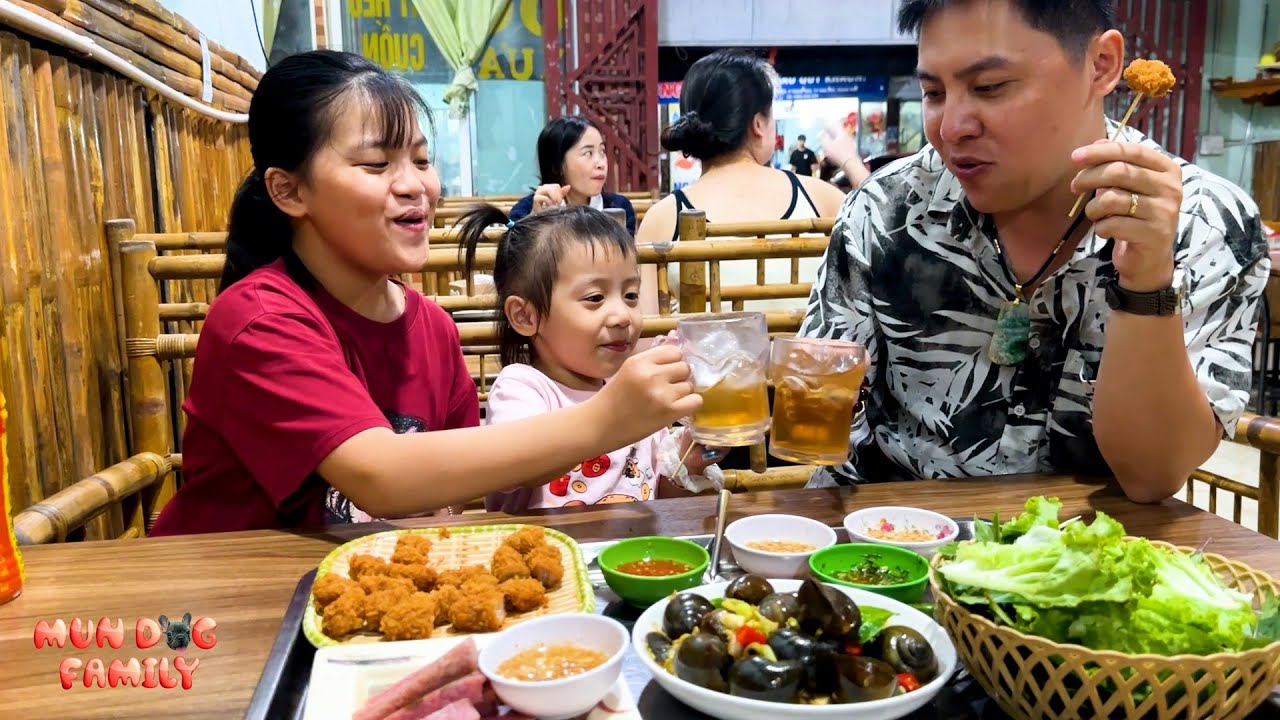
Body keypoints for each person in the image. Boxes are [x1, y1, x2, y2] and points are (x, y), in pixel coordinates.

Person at [149, 51, 701, 536]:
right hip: (231, 603)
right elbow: (382, 477)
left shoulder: (432, 329)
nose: (415, 184)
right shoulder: (260, 317)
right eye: (375, 163)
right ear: (289, 190)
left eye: (420, 159)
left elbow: (453, 493)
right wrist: (607, 418)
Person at [800, 0, 1270, 504]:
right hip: (890, 545)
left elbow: (1151, 476)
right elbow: (813, 403)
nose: (951, 126)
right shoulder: (889, 208)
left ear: (1102, 66)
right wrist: (716, 425)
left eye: (989, 87)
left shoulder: (1201, 224)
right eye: (934, 92)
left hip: (1081, 560)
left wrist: (1147, 283)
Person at [456, 205, 727, 512]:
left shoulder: (632, 386)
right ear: (525, 315)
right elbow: (512, 466)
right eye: (595, 298)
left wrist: (686, 462)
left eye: (631, 295)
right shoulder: (523, 388)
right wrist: (613, 411)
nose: (623, 316)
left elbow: (659, 505)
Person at [636, 50, 847, 316]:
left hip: (705, 359)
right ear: (758, 123)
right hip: (807, 357)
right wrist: (850, 162)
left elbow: (645, 339)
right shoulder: (823, 199)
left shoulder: (663, 218)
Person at [507, 116, 636, 235]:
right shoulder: (527, 210)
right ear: (557, 165)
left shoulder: (619, 208)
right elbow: (513, 255)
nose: (601, 163)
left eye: (602, 151)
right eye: (588, 153)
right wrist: (536, 220)